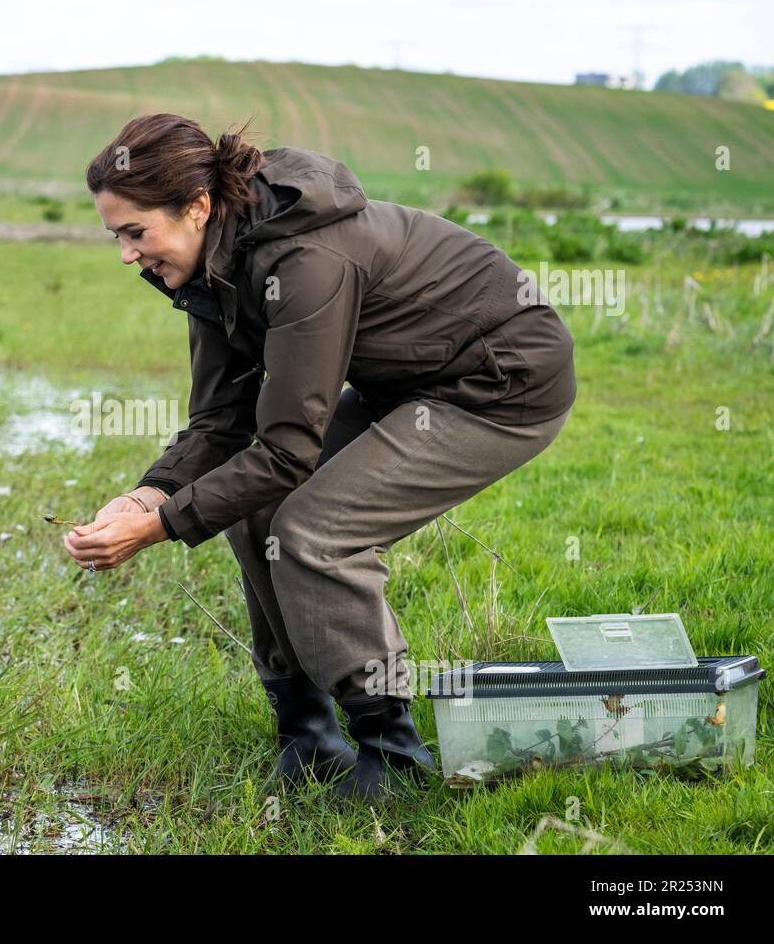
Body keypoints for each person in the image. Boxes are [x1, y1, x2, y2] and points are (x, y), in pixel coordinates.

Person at [64, 113, 576, 803]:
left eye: (134, 232)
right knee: (252, 516)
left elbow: (285, 451)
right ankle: (308, 735)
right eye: (116, 236)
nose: (127, 254)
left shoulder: (307, 260)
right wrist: (149, 495)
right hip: (409, 379)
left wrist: (159, 528)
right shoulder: (213, 262)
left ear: (196, 207)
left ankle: (392, 753)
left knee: (314, 532)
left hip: (500, 380)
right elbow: (221, 419)